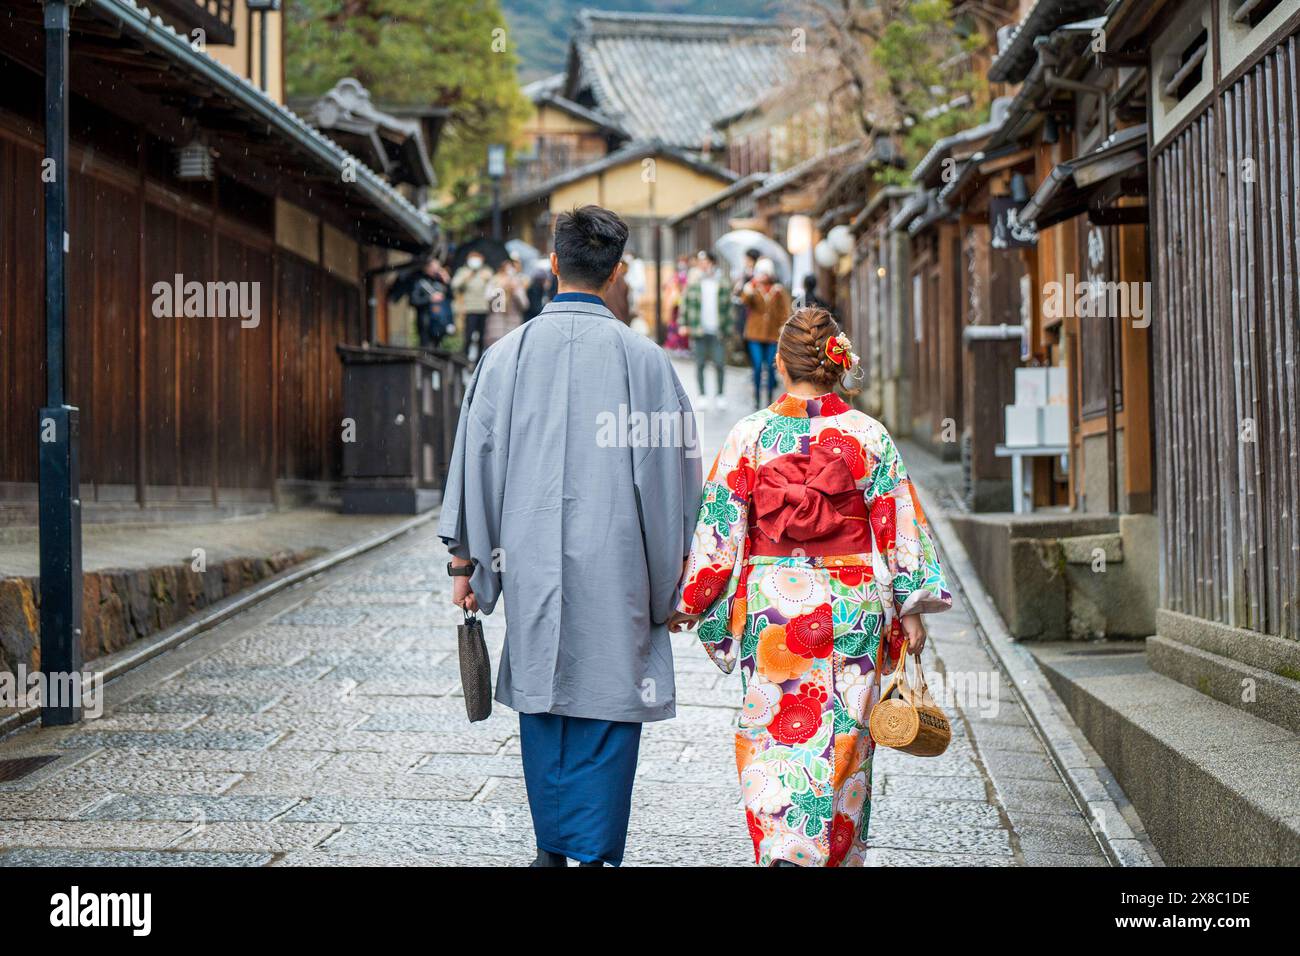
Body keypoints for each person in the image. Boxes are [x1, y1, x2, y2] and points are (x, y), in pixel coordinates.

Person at [439, 205, 703, 868]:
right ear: (615, 273)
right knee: (613, 695)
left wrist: (466, 563)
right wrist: (675, 581)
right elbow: (672, 483)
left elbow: (476, 462)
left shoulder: (506, 358)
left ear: (553, 264)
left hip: (527, 559)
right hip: (620, 566)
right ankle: (594, 850)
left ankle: (551, 848)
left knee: (544, 694)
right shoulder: (646, 365)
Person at [668, 307, 952, 867]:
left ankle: (783, 853)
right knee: (846, 737)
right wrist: (911, 607)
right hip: (853, 603)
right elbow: (898, 522)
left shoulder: (751, 434)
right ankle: (835, 856)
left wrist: (690, 600)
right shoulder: (868, 436)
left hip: (775, 605)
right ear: (836, 364)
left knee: (771, 729)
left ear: (778, 363)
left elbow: (720, 528)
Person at [681, 250, 732, 410]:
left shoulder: (722, 282)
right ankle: (702, 395)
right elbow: (685, 305)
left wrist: (729, 329)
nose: (703, 265)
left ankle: (720, 395)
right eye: (700, 262)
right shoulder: (694, 283)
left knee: (719, 363)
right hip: (699, 329)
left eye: (705, 262)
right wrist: (683, 323)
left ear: (712, 263)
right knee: (700, 363)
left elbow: (728, 308)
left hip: (717, 329)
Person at [740, 258, 791, 408]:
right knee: (756, 366)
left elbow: (785, 311)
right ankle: (756, 398)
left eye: (766, 273)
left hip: (772, 335)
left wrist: (784, 326)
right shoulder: (752, 289)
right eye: (761, 273)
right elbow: (745, 302)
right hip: (754, 334)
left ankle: (769, 399)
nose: (763, 276)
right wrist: (749, 287)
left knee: (770, 366)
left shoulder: (778, 290)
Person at [452, 251, 493, 361]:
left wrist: (488, 280)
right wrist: (466, 277)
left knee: (481, 337)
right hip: (469, 308)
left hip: (483, 308)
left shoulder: (486, 272)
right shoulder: (463, 271)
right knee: (468, 335)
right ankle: (464, 358)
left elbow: (495, 289)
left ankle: (479, 359)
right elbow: (454, 285)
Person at [409, 258, 451, 349]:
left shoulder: (441, 281)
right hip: (425, 322)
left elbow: (450, 298)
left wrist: (447, 282)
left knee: (438, 348)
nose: (436, 270)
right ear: (427, 268)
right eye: (434, 267)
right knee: (426, 348)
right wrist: (429, 299)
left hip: (439, 322)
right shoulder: (420, 281)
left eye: (438, 267)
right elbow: (413, 300)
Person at [485, 258, 527, 347]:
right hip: (496, 325)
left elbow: (524, 304)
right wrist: (500, 288)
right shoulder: (494, 281)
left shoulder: (517, 282)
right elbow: (488, 299)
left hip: (513, 324)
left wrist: (515, 291)